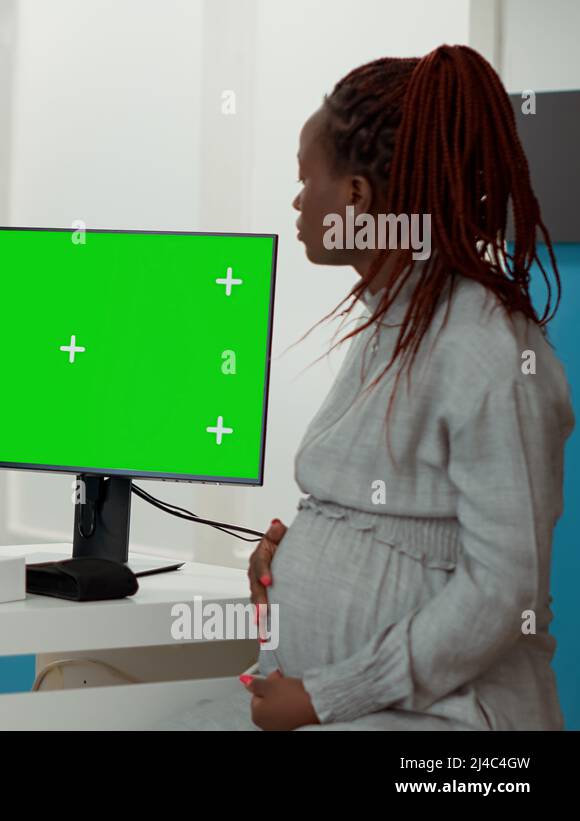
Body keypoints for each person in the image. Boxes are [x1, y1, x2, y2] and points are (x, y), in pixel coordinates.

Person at [159, 45, 571, 730]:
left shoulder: (488, 349)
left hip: (457, 720)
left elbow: (504, 591)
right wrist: (296, 553)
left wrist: (327, 694)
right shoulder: (397, 319)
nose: (296, 200)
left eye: (305, 179)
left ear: (355, 196)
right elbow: (399, 519)